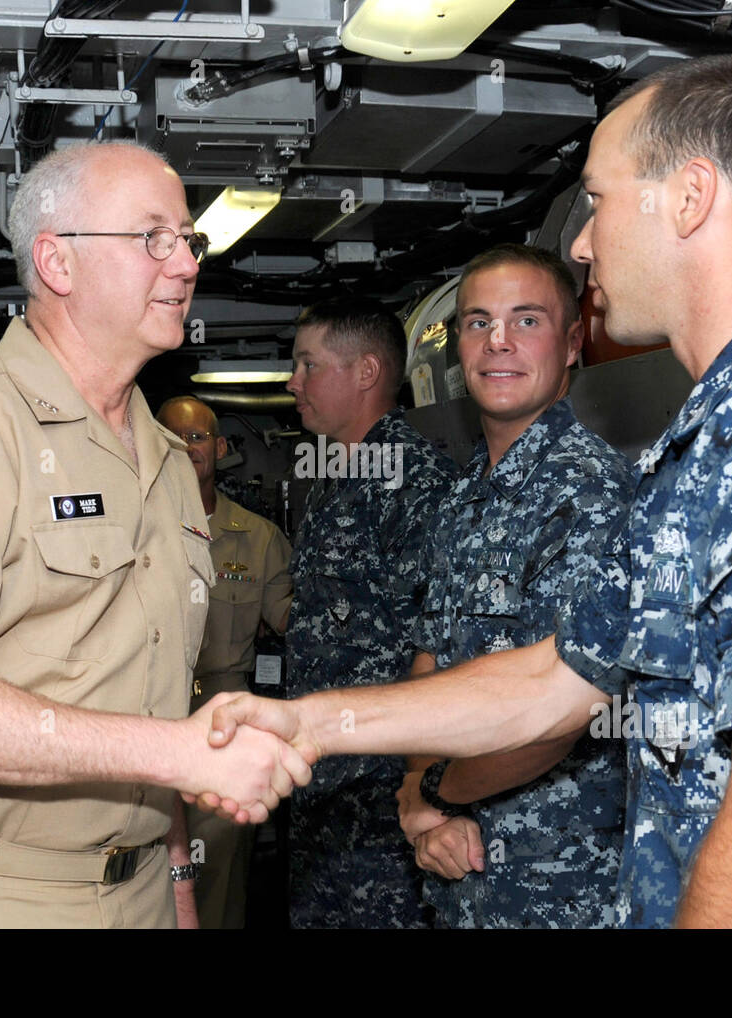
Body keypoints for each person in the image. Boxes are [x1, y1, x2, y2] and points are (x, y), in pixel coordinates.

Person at [201, 54, 732, 928]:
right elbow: (556, 679)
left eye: (601, 200)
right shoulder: (712, 445)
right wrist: (313, 724)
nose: (582, 243)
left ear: (689, 199)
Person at [0, 140, 309, 930]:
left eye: (189, 240)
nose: (187, 264)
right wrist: (179, 755)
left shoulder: (164, 458)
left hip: (138, 891)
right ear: (57, 264)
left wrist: (178, 881)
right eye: (153, 237)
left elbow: (147, 697)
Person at [400, 243, 633, 928]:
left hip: (560, 888)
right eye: (477, 323)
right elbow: (430, 665)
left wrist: (433, 794)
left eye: (526, 321)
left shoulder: (591, 494)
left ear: (572, 344)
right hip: (456, 875)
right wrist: (418, 804)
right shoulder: (462, 496)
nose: (497, 342)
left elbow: (555, 715)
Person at [281, 296, 458, 928]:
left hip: (383, 806)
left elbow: (437, 646)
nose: (292, 382)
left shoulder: (414, 482)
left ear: (366, 372)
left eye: (308, 365)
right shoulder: (336, 475)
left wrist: (421, 788)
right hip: (325, 789)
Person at [156, 395, 294, 928]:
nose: (187, 447)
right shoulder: (130, 531)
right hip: (141, 720)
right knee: (138, 881)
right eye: (173, 437)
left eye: (197, 437)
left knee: (214, 885)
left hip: (222, 731)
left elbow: (297, 629)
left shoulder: (258, 540)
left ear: (218, 447)